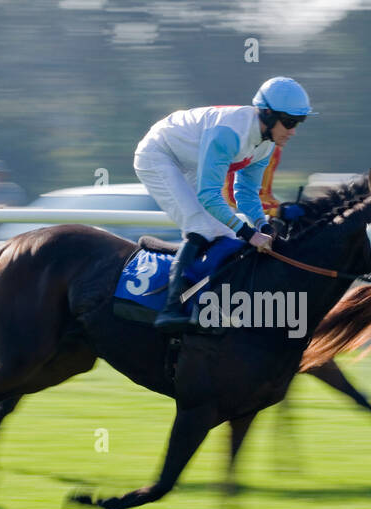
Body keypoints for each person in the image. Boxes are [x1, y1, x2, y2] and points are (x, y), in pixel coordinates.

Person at [133, 76, 315, 332]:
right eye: (289, 122)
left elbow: (247, 193)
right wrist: (249, 234)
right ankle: (171, 309)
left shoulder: (266, 145)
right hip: (158, 154)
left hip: (189, 160)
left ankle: (205, 302)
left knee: (226, 234)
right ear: (267, 114)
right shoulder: (229, 134)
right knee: (202, 227)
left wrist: (262, 226)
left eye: (299, 123)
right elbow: (209, 196)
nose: (293, 131)